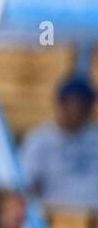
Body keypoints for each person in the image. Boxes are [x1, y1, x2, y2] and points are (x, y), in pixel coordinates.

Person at [19, 75, 98, 208]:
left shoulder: (94, 136)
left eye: (85, 105)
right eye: (75, 104)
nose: (79, 111)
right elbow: (29, 182)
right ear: (62, 104)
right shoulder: (40, 139)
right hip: (53, 214)